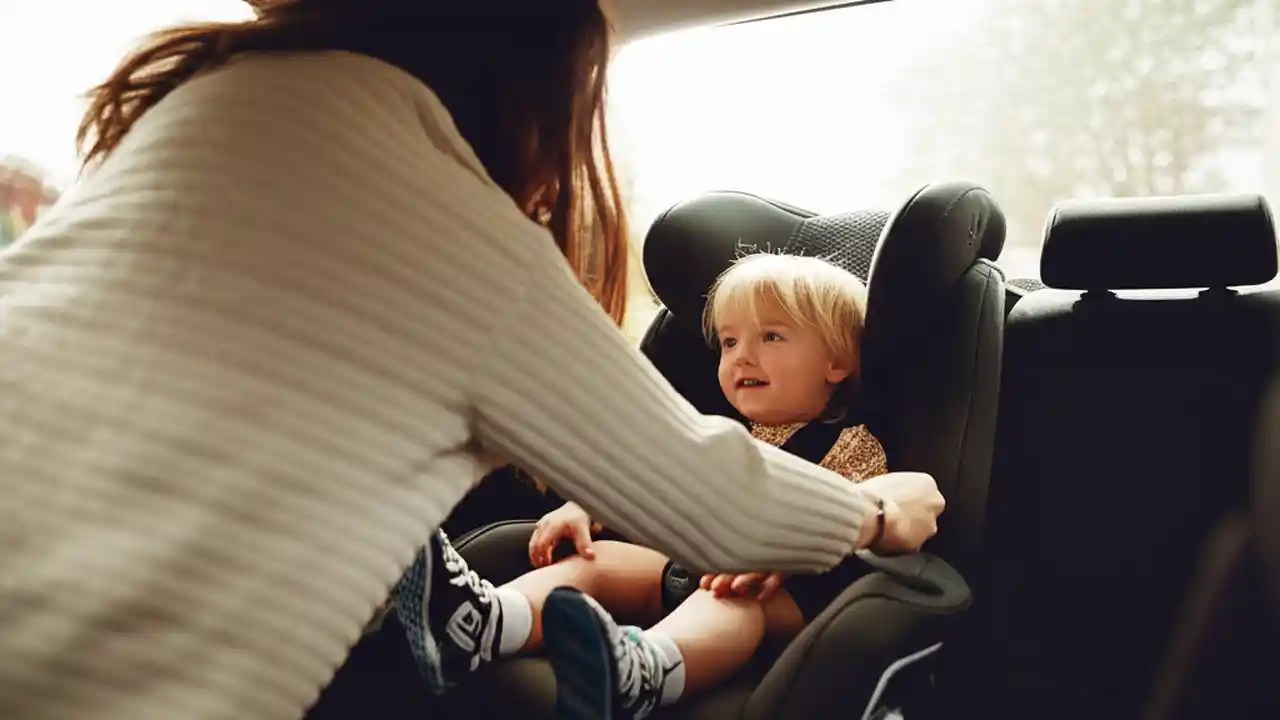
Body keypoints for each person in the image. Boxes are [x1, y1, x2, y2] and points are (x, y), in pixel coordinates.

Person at [0, 1, 944, 718]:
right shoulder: (450, 223)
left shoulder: (195, 129)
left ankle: (591, 653)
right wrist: (875, 509)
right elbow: (711, 493)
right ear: (530, 82)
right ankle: (508, 629)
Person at [405, 254, 939, 718]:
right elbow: (647, 480)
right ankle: (483, 624)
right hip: (691, 568)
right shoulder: (723, 436)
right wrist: (585, 506)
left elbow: (869, 515)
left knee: (733, 606)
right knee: (598, 561)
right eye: (729, 342)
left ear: (837, 363)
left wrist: (796, 545)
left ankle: (645, 674)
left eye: (771, 337)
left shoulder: (850, 445)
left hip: (783, 597)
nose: (741, 357)